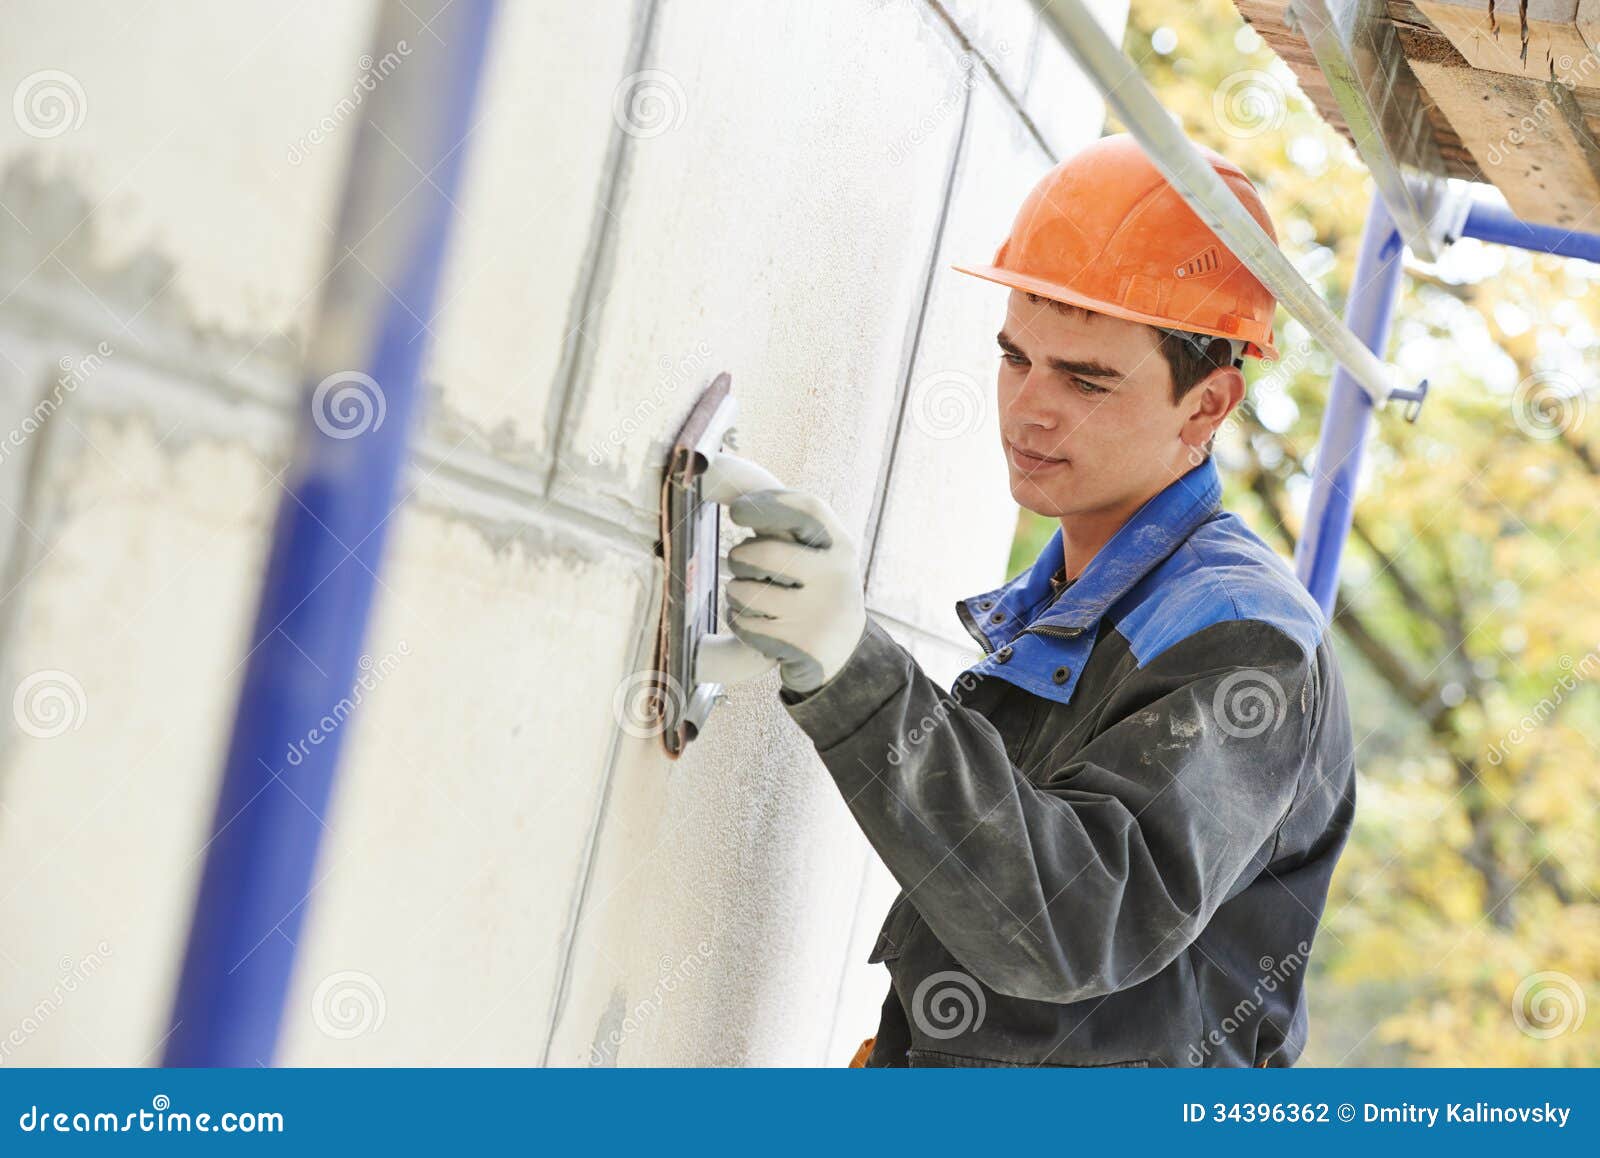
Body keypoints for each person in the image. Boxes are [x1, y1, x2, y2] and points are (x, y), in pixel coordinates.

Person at [702, 133, 1356, 1067]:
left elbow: (1077, 923)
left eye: (1087, 379)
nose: (1030, 409)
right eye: (1017, 359)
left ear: (1208, 405)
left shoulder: (1245, 640)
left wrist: (856, 672)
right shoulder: (1076, 600)